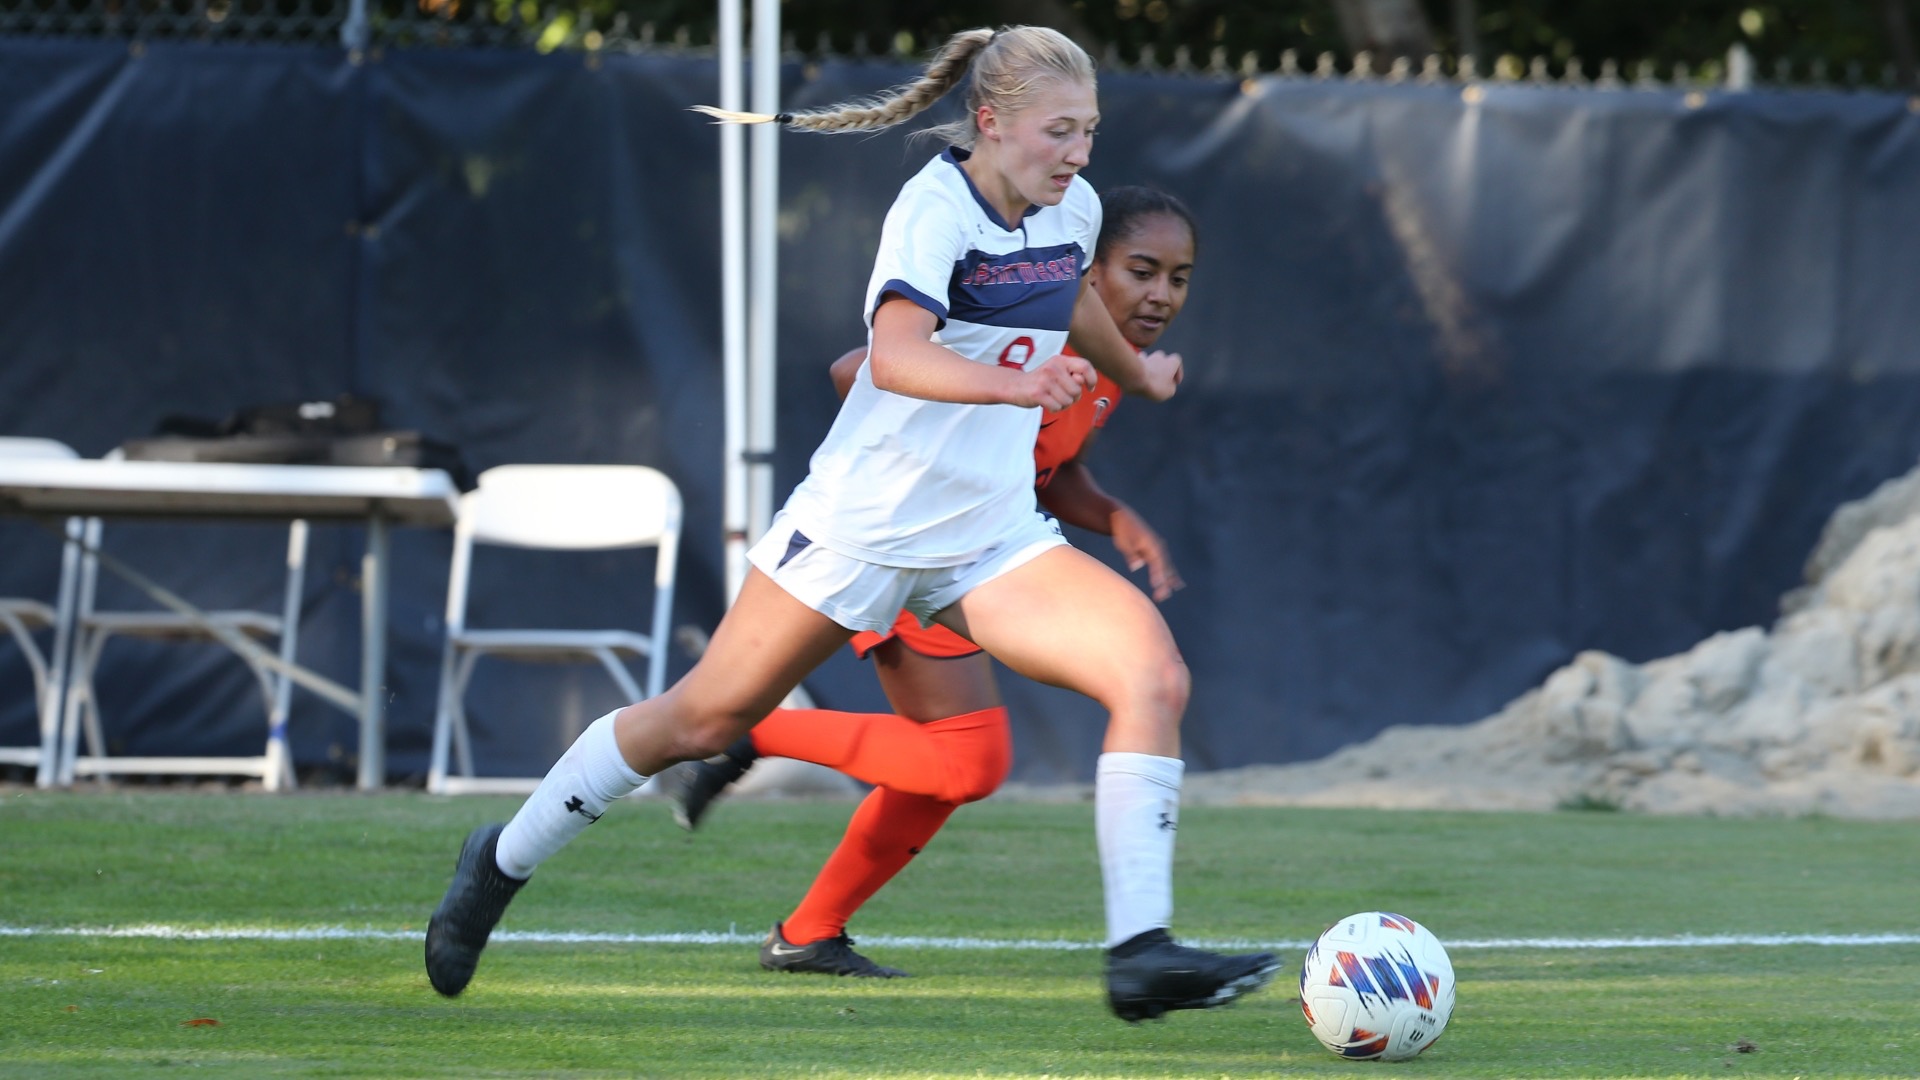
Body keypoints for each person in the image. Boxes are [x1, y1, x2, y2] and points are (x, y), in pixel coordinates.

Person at [424, 25, 1278, 1024]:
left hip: (990, 539)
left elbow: (1072, 301)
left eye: (1089, 130)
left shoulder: (1075, 206)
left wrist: (1136, 371)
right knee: (701, 721)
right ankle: (501, 857)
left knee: (1152, 677)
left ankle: (1139, 953)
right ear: (991, 122)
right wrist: (1015, 387)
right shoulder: (933, 209)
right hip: (860, 528)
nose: (1079, 152)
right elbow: (893, 355)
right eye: (1059, 131)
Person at [664, 185, 1202, 985]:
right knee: (966, 762)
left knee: (957, 767)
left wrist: (1114, 515)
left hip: (978, 552)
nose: (1160, 294)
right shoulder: (1031, 332)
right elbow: (855, 371)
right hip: (904, 544)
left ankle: (808, 929)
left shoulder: (1107, 368)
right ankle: (752, 734)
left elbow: (1051, 469)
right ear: (1086, 274)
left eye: (1179, 278)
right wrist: (950, 424)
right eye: (1142, 270)